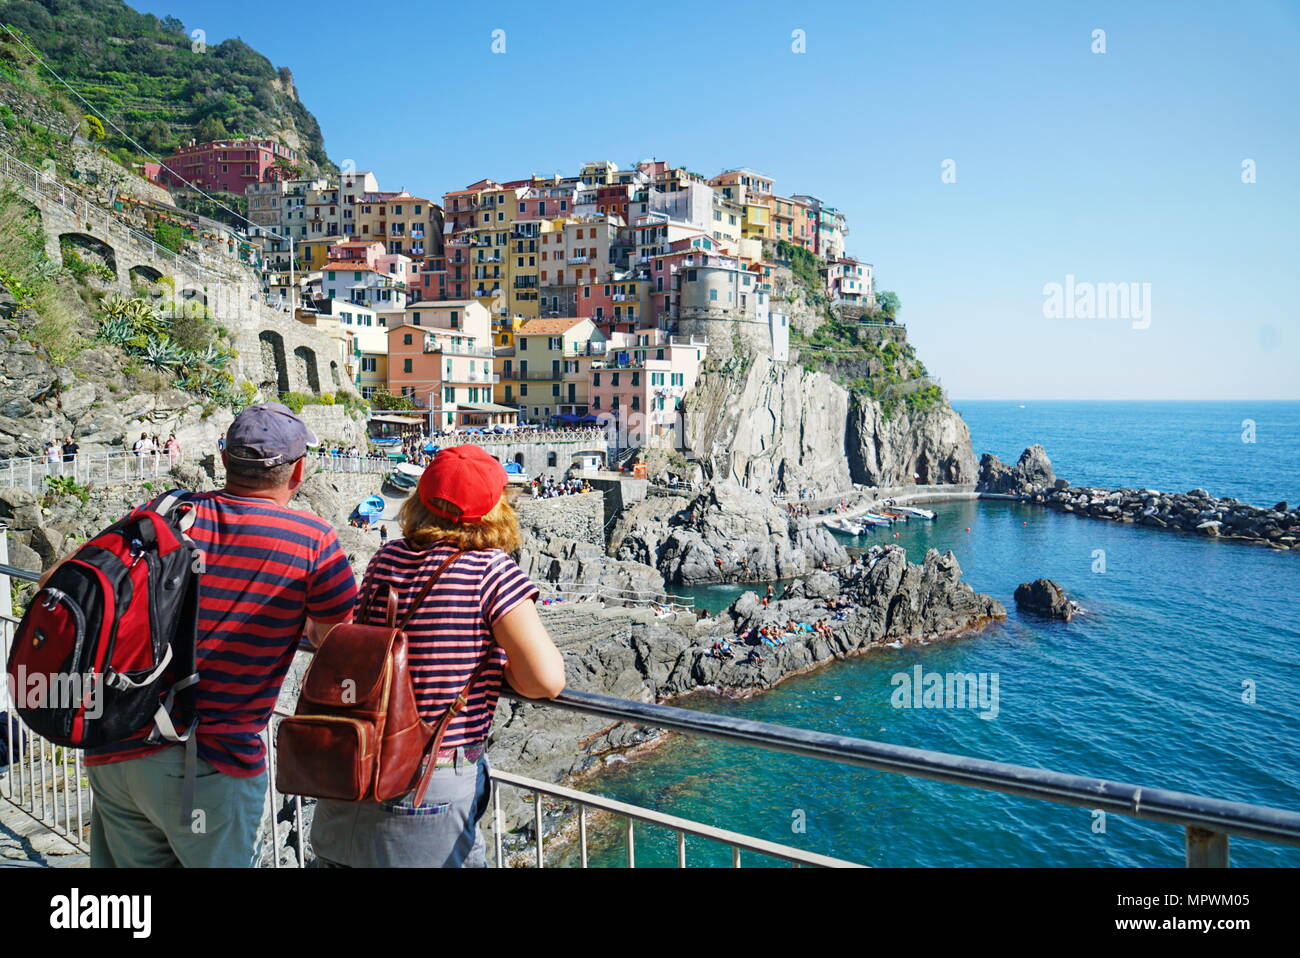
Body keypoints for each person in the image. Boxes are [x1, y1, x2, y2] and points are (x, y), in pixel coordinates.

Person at [37, 403, 357, 868]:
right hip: (204, 768)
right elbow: (337, 649)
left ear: (223, 460)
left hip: (116, 747)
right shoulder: (311, 539)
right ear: (298, 470)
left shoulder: (169, 509)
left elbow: (56, 582)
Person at [310, 445, 565, 868]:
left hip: (361, 760)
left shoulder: (386, 557)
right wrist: (505, 672)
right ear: (496, 508)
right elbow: (546, 680)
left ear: (420, 499)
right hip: (427, 776)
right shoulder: (490, 570)